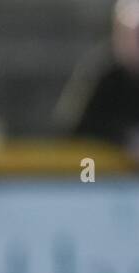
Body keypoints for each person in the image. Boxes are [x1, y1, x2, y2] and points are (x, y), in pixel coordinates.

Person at [54, 0, 139, 159]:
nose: (133, 43)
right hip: (103, 176)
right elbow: (75, 128)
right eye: (128, 35)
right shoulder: (102, 75)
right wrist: (124, 139)